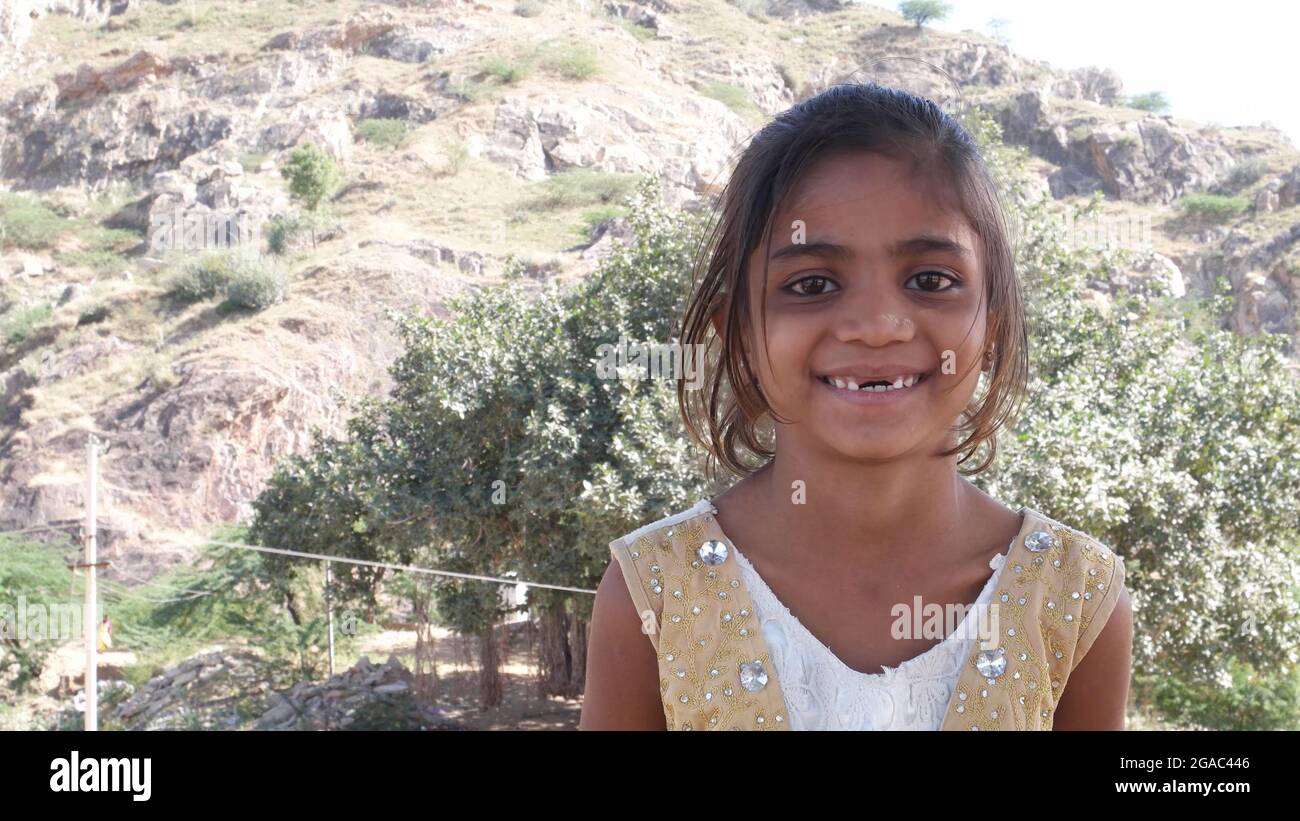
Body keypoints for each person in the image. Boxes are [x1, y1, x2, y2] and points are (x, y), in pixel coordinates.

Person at [579, 82, 1131, 731]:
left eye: (931, 280)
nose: (875, 326)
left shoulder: (1074, 597)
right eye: (812, 283)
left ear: (994, 324)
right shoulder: (655, 592)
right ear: (741, 334)